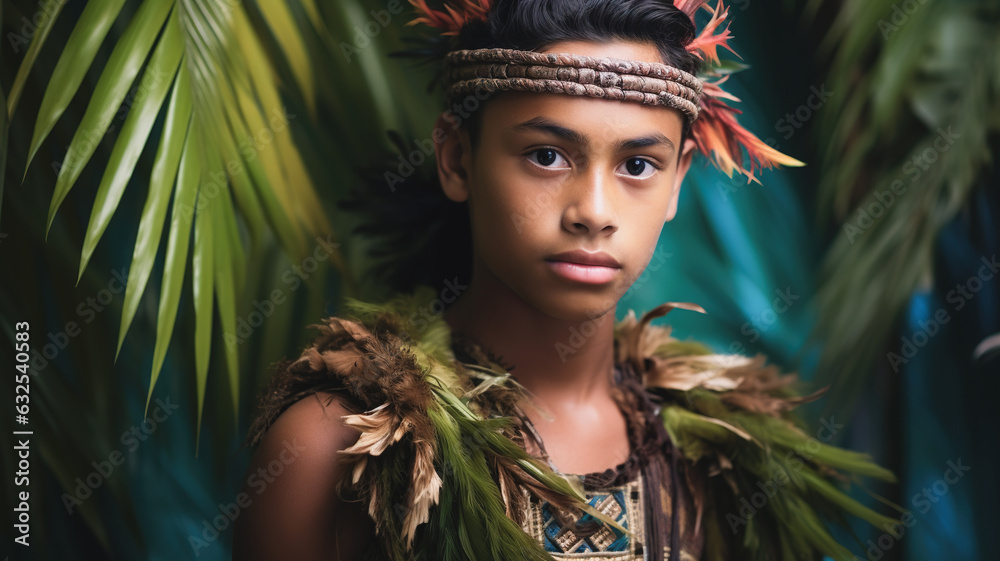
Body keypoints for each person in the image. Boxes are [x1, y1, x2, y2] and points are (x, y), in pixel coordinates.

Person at [232, 1, 895, 560]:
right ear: (457, 158)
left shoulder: (723, 461)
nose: (594, 212)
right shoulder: (333, 448)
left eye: (638, 164)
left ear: (677, 182)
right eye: (546, 155)